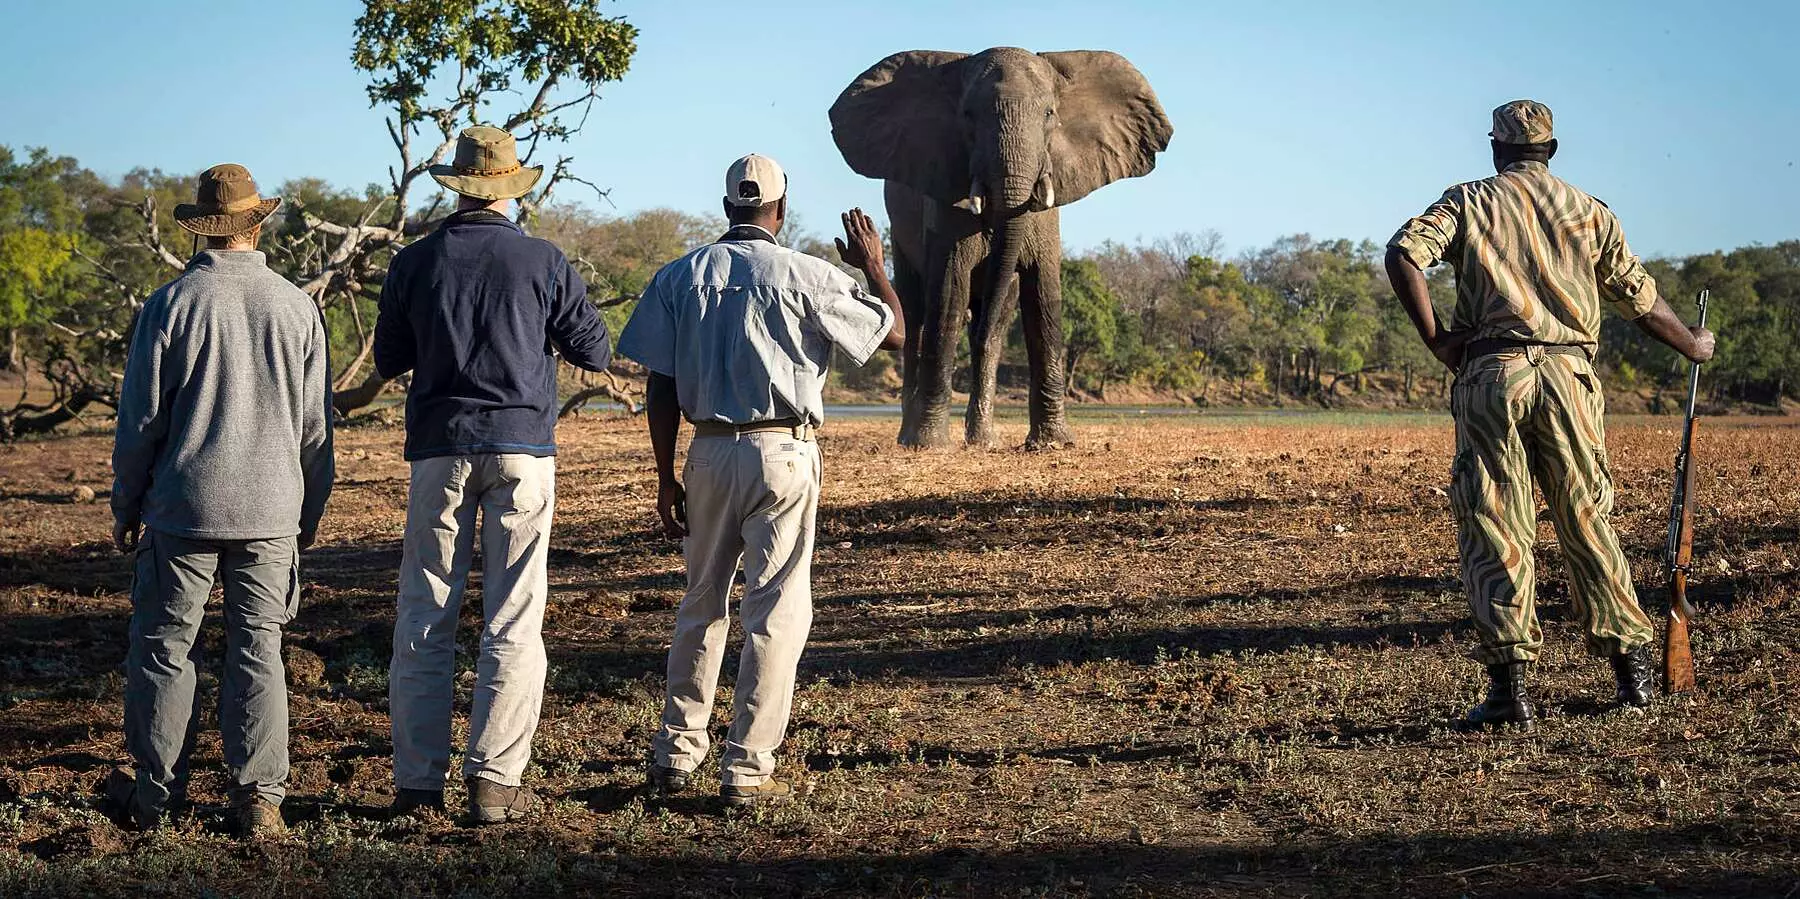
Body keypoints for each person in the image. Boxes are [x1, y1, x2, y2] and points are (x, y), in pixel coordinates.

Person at [1385, 100, 1716, 730]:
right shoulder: (1589, 210)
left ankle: (1512, 693)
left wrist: (1437, 340)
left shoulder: (1467, 201)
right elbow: (1640, 301)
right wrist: (1693, 345)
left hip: (1492, 373)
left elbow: (1402, 255)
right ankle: (1633, 678)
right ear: (1553, 151)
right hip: (1569, 377)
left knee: (1494, 520)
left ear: (1494, 148)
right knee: (1586, 516)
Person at [617, 154, 903, 807]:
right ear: (781, 209)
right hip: (784, 449)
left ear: (727, 208)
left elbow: (660, 386)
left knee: (701, 603)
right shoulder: (808, 274)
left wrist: (665, 477)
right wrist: (875, 266)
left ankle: (676, 752)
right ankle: (745, 766)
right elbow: (898, 336)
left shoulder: (681, 277)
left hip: (709, 450)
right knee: (775, 609)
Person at [373, 125, 612, 823]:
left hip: (439, 450)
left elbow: (391, 358)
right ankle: (494, 781)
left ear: (457, 186)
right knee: (513, 618)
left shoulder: (415, 262)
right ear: (510, 189)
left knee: (425, 614)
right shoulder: (542, 259)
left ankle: (418, 785)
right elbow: (594, 350)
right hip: (523, 452)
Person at [108, 164, 335, 837]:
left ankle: (154, 796)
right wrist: (310, 510)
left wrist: (127, 502)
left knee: (164, 646)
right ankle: (260, 798)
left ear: (201, 229)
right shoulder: (297, 305)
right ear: (256, 223)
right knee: (259, 647)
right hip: (272, 509)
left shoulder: (170, 304)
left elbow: (140, 424)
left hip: (182, 506)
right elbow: (315, 430)